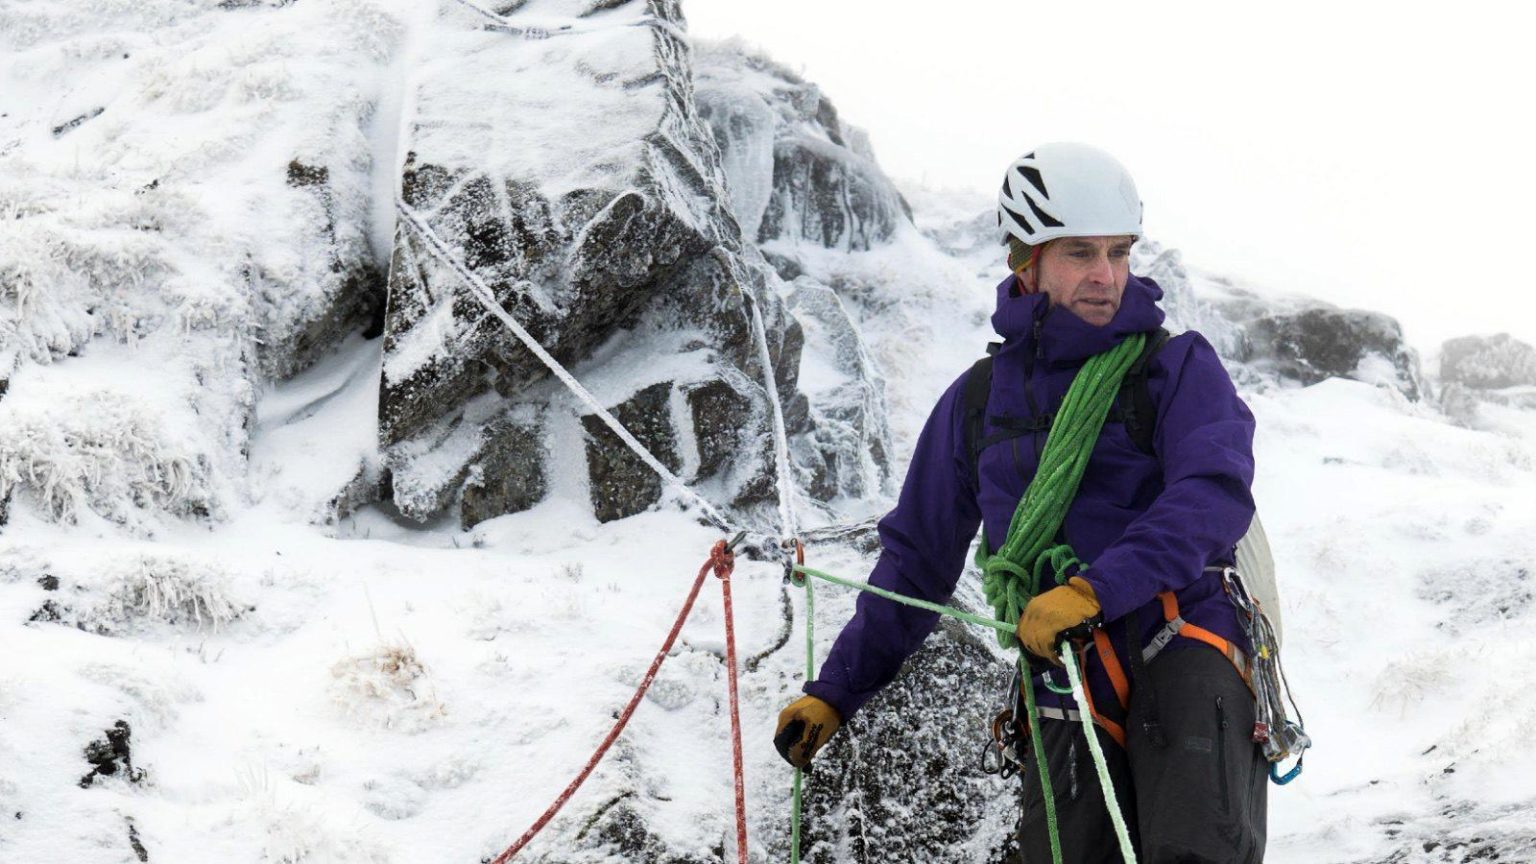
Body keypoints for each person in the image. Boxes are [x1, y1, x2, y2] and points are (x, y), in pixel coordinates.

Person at [774, 143, 1267, 862]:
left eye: (1118, 252)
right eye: (1080, 254)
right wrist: (836, 693)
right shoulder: (978, 403)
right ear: (1025, 260)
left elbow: (1213, 495)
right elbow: (917, 561)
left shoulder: (1174, 368)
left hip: (1183, 639)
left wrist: (1096, 588)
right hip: (1064, 667)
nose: (1106, 276)